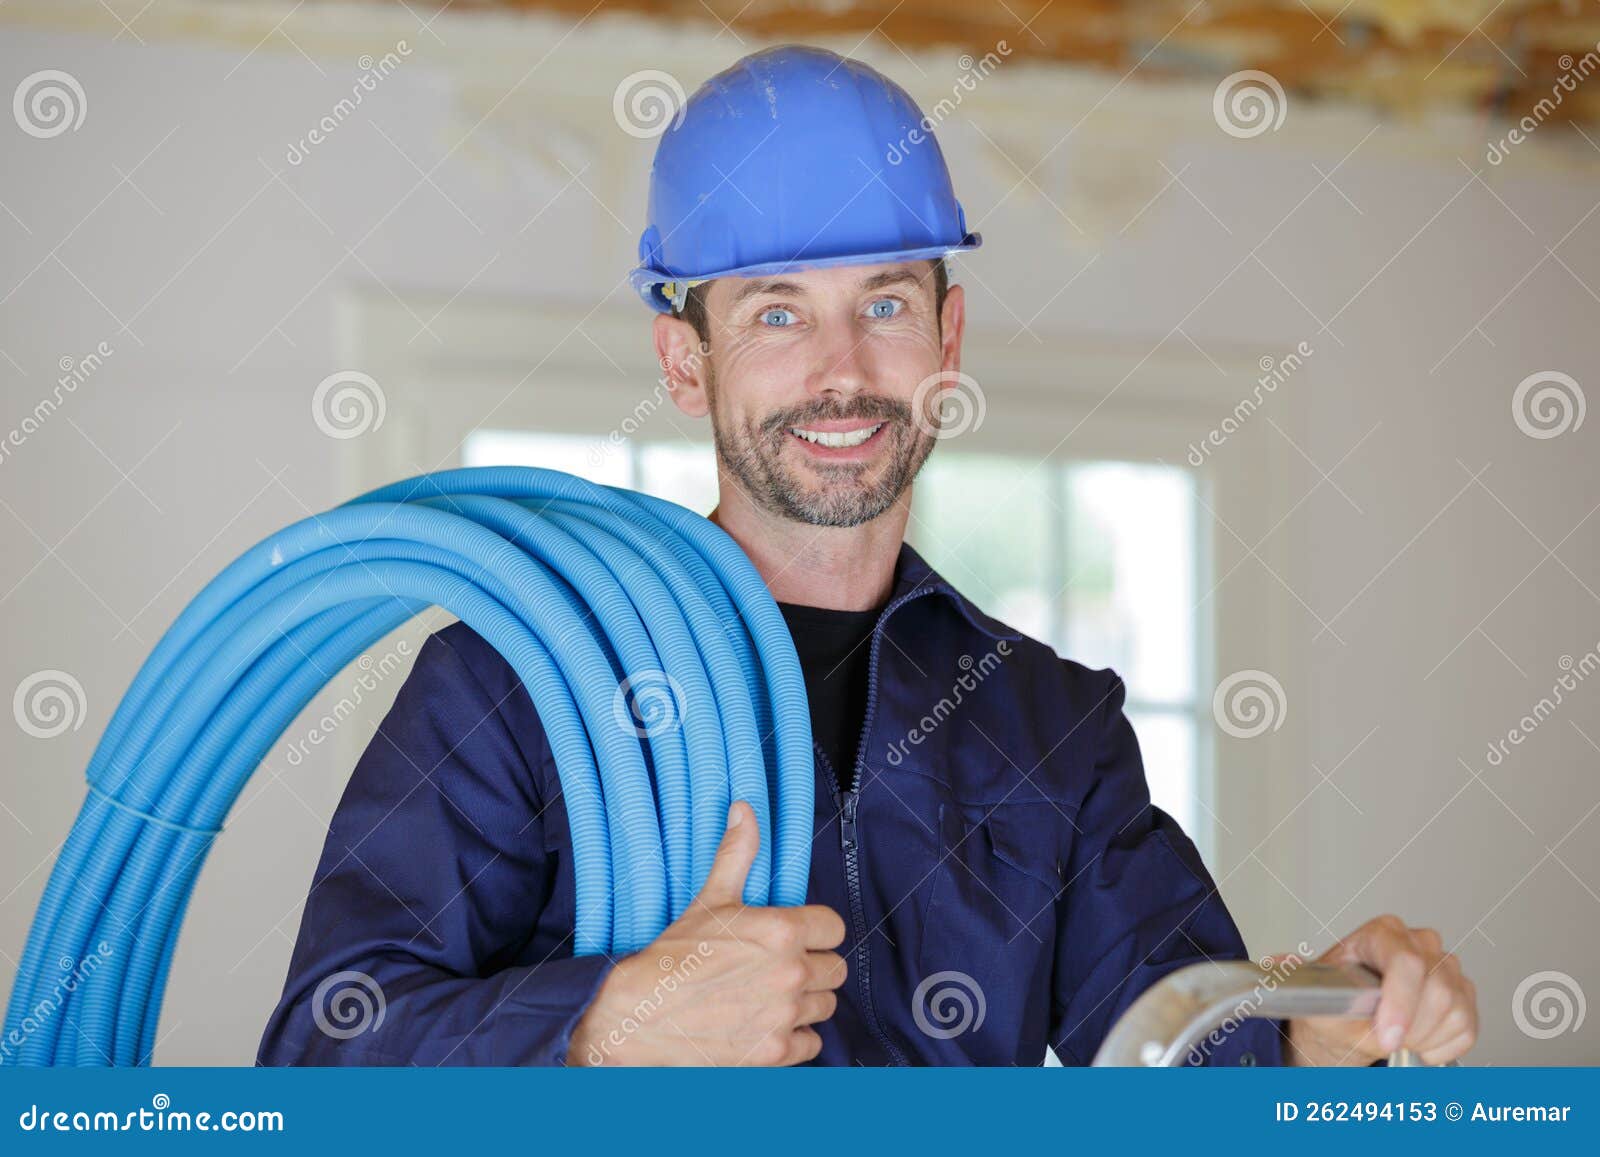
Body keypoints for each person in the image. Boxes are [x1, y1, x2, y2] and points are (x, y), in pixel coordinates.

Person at [258, 44, 1477, 1068]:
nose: (841, 368)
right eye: (776, 310)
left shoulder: (1048, 724)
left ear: (947, 336)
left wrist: (1333, 1006)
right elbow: (319, 1053)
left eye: (885, 303)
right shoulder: (518, 684)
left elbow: (1181, 1046)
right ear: (686, 362)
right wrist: (608, 1023)